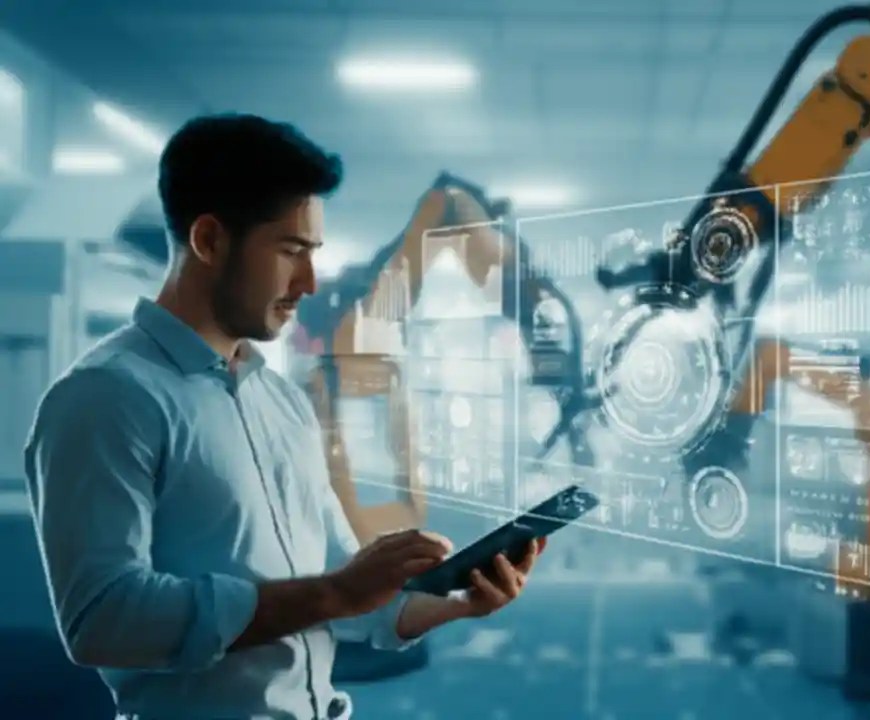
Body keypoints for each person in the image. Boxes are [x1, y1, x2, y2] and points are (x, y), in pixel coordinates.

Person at [22, 113, 543, 720]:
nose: (310, 282)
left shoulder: (283, 403)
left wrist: (455, 599)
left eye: (313, 253)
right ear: (209, 241)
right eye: (291, 251)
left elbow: (342, 593)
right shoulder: (105, 397)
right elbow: (103, 621)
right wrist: (333, 592)